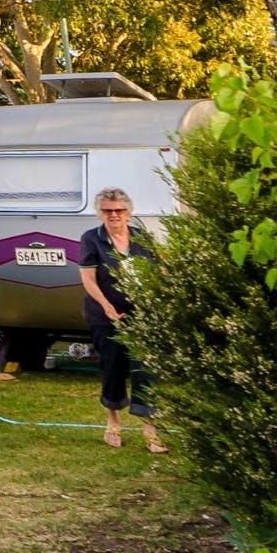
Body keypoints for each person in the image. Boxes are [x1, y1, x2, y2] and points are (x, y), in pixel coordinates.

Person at [76, 187, 165, 453]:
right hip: (105, 316)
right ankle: (113, 422)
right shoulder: (92, 239)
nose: (114, 215)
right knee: (112, 367)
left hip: (140, 315)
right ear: (100, 213)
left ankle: (150, 429)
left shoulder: (141, 238)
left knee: (145, 368)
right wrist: (106, 306)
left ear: (128, 212)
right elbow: (88, 279)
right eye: (108, 210)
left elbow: (155, 272)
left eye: (119, 210)